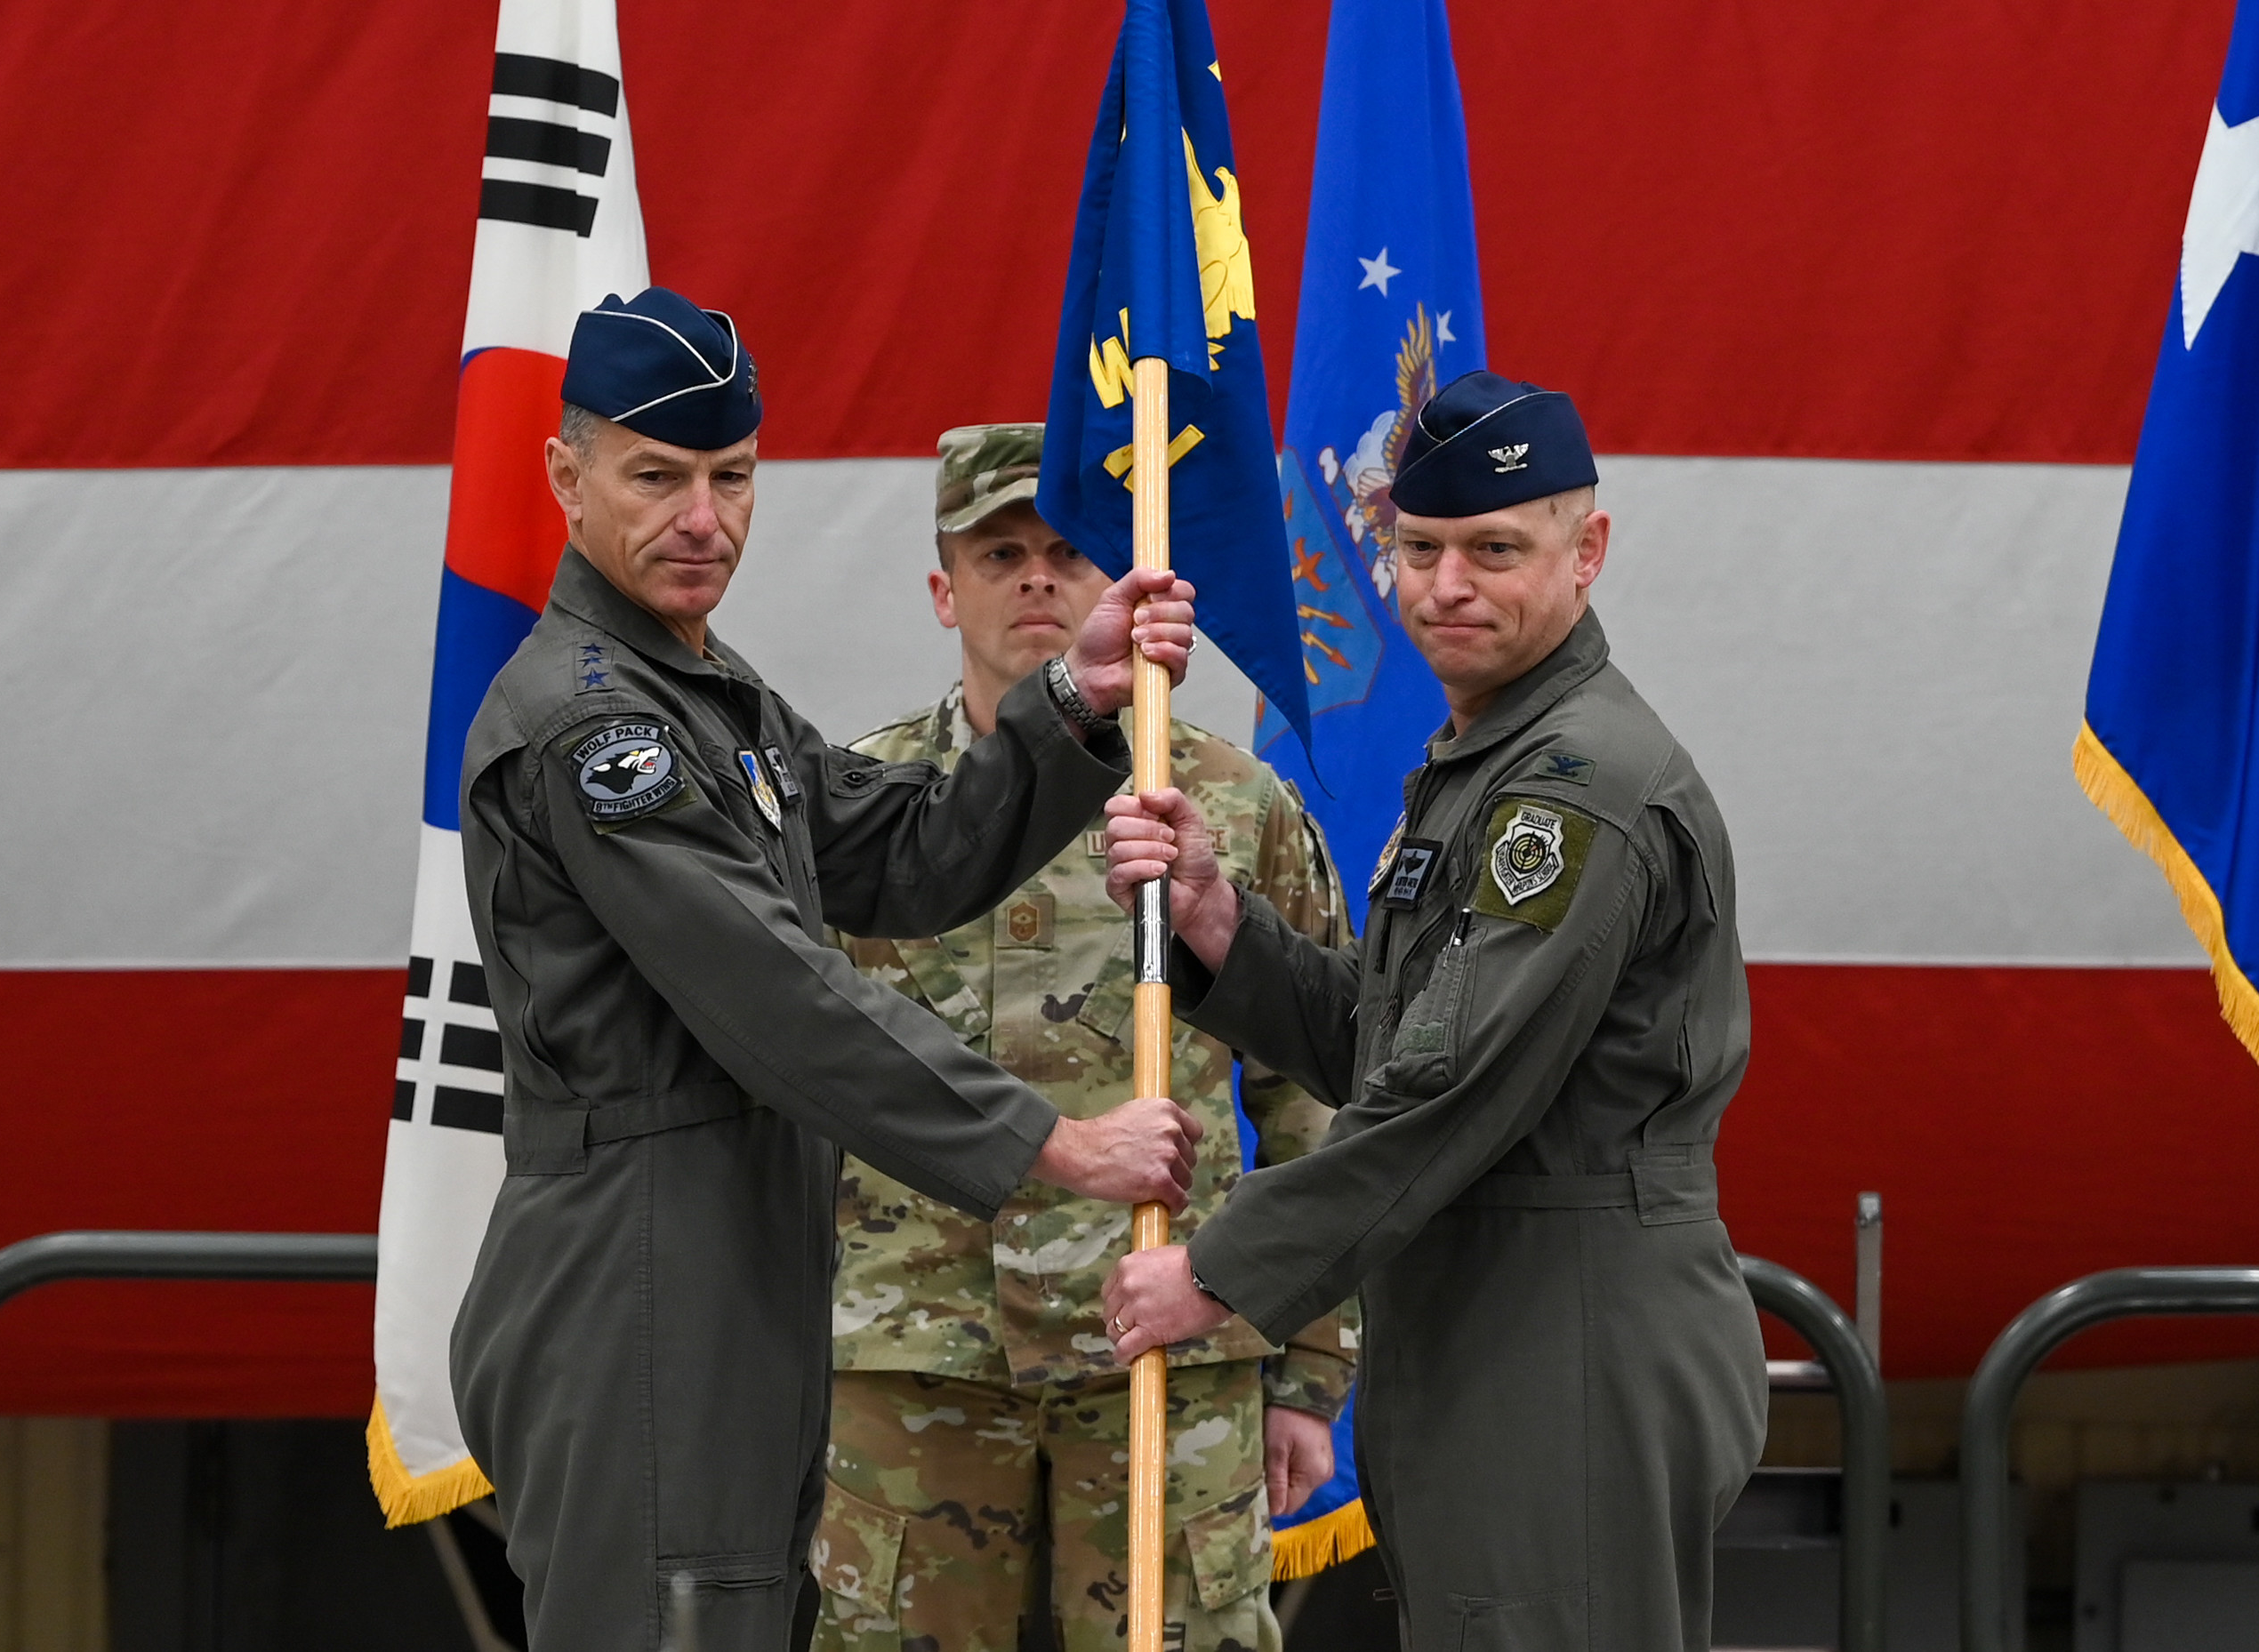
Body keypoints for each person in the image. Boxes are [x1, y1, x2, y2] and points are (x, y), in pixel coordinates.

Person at [449, 289, 1208, 1652]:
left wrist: (1067, 702)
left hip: (736, 1256)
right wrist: (1053, 1142)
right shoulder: (592, 724)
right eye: (658, 475)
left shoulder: (706, 691)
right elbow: (777, 994)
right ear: (565, 475)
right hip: (641, 1262)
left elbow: (899, 851)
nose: (704, 518)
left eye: (731, 476)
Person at [1098, 371, 1768, 1652]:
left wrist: (1223, 1270)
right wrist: (1217, 923)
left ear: (1588, 552)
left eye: (1493, 550)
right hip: (1486, 1320)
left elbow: (1447, 1085)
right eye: (1419, 549)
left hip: (1563, 1329)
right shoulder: (1492, 757)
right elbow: (1393, 1038)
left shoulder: (1574, 789)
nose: (1445, 585)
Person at [807, 425, 1356, 1652]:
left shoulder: (1222, 800)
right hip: (917, 1350)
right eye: (999, 551)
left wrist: (1310, 1366)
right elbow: (800, 1064)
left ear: (1120, 582)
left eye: (1068, 550)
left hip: (1170, 1338)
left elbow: (1320, 1087)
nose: (1037, 579)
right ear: (943, 586)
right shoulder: (865, 805)